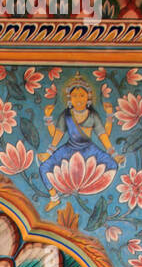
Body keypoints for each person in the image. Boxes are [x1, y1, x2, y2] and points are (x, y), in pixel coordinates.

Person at [37, 78, 124, 211]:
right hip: (69, 148)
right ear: (69, 98)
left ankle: (88, 187)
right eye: (75, 96)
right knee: (43, 168)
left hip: (89, 149)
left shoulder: (92, 115)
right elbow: (57, 135)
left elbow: (103, 135)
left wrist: (114, 154)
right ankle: (54, 198)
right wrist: (48, 119)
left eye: (82, 95)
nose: (78, 99)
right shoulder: (66, 115)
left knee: (112, 164)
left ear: (88, 97)